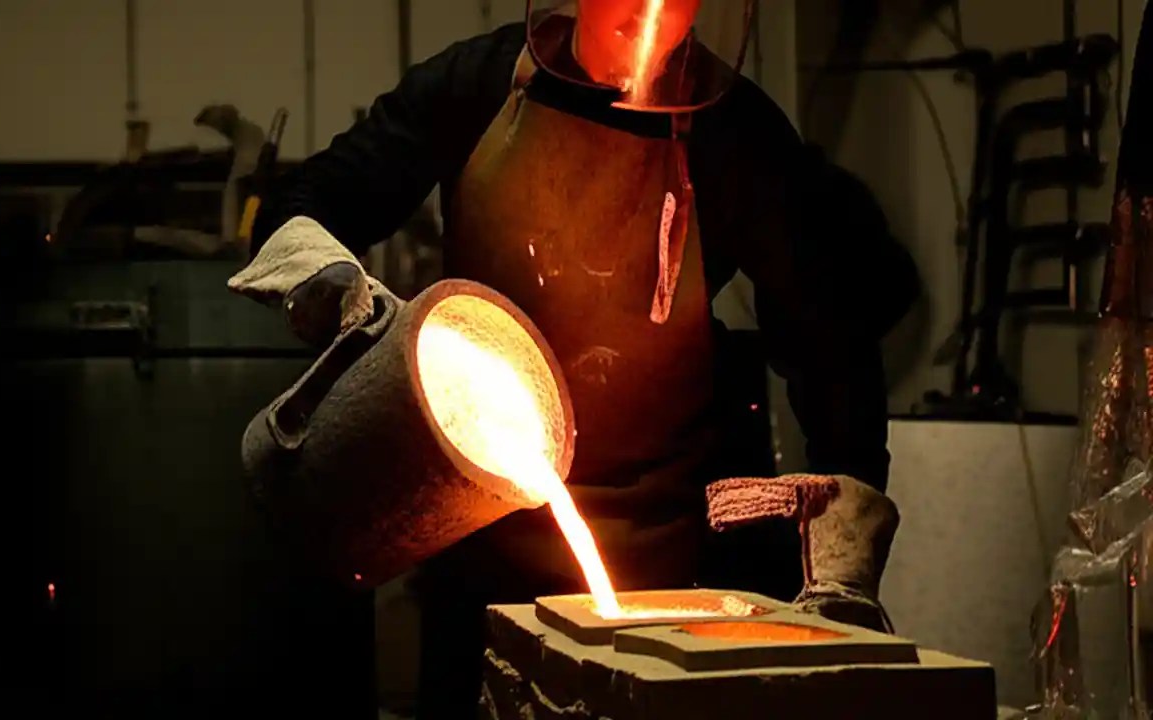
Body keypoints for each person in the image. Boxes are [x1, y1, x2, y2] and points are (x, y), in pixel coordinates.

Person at [231, 1, 918, 716]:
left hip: (666, 564)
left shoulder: (733, 132)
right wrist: (327, 286)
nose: (648, 11)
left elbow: (829, 337)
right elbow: (306, 206)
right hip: (476, 548)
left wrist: (847, 545)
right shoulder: (477, 84)